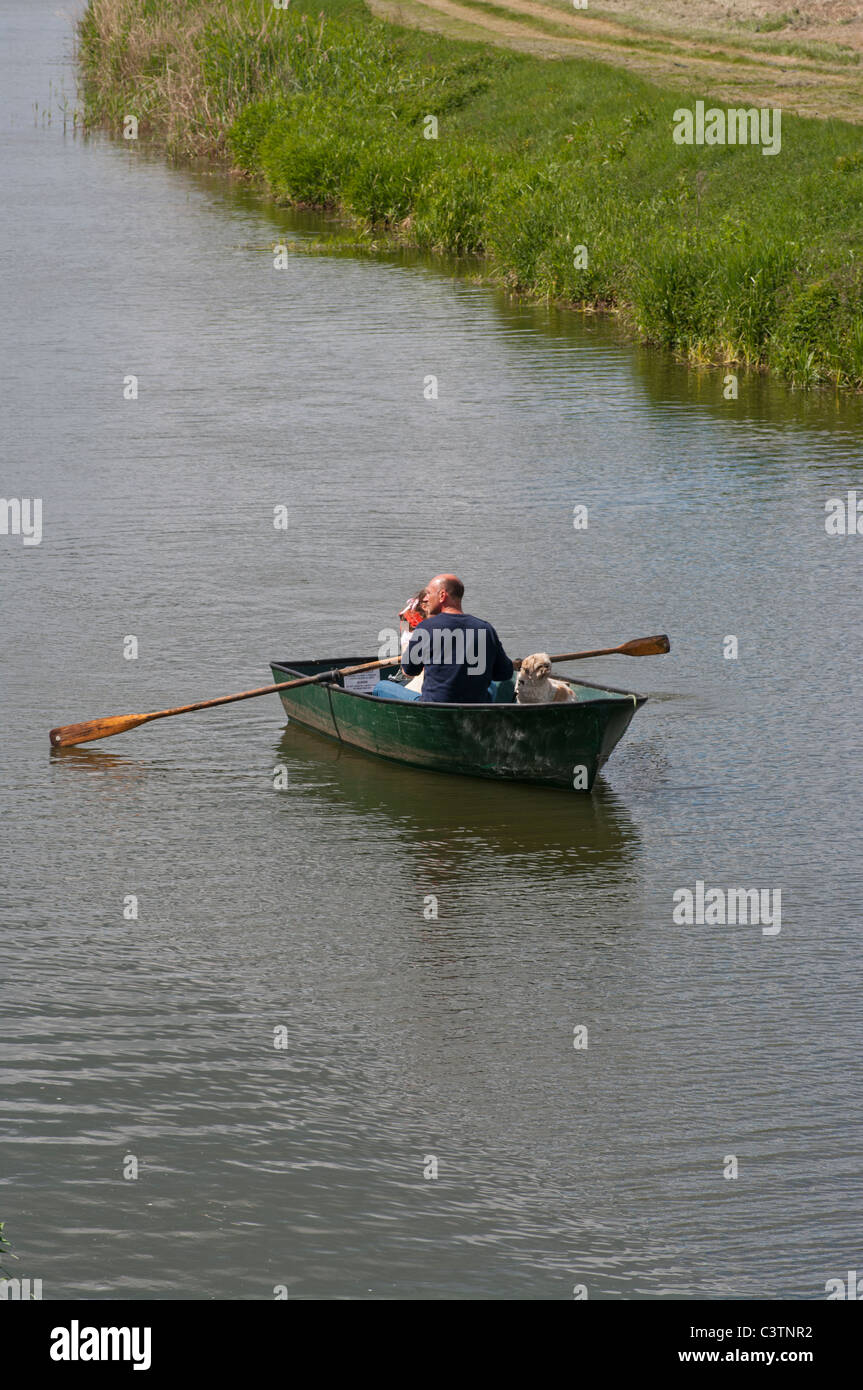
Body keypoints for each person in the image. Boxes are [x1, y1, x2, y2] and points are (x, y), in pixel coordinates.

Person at [401, 574, 513, 703]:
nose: (426, 598)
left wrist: (407, 647)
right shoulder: (486, 629)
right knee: (492, 686)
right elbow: (505, 673)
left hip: (434, 710)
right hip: (476, 711)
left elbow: (409, 671)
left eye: (428, 593)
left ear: (442, 595)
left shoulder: (425, 628)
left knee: (383, 687)